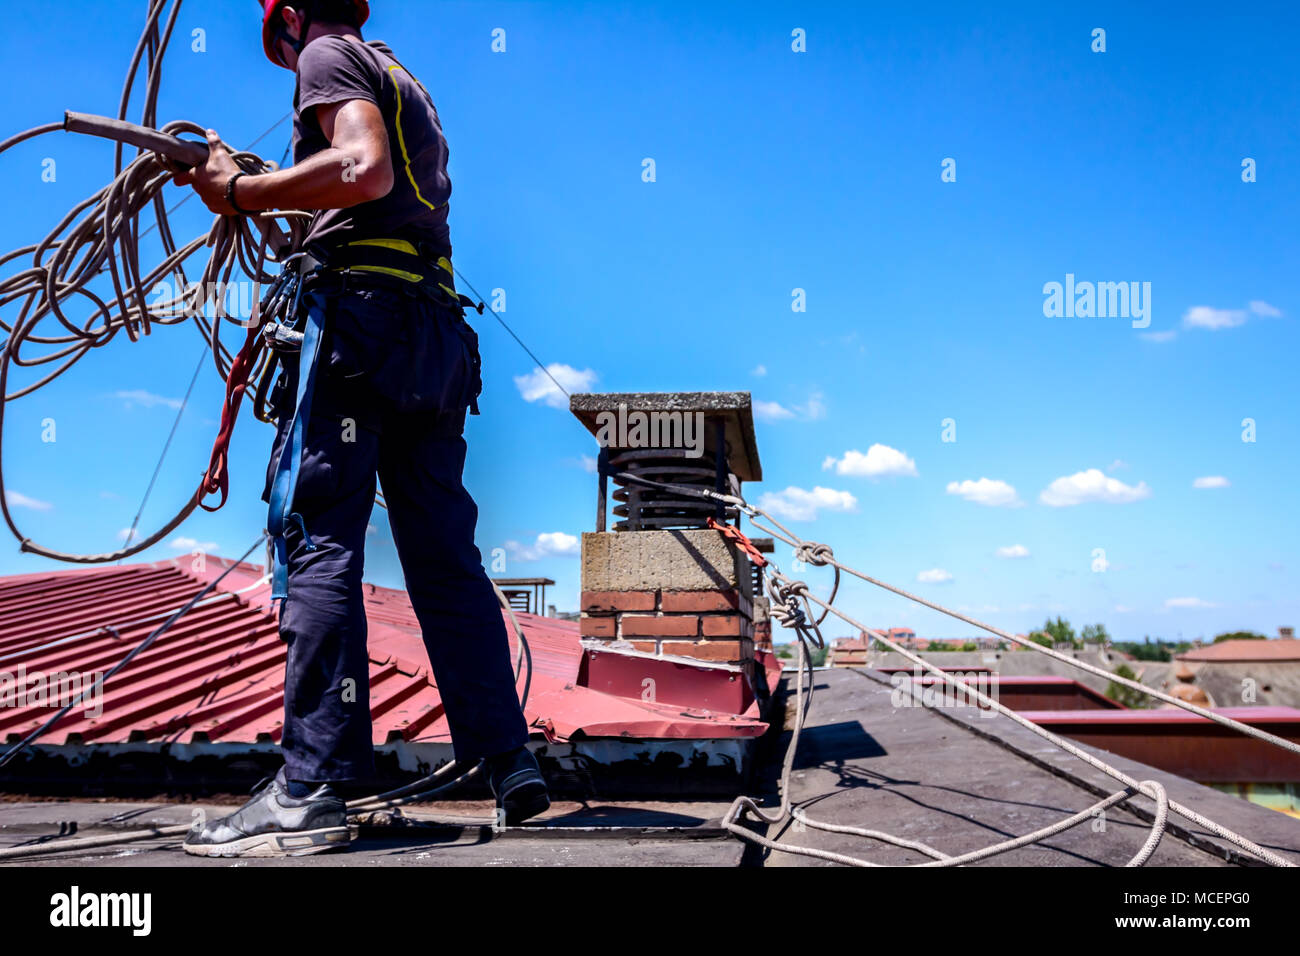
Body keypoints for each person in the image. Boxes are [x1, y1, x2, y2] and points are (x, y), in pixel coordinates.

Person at [176, 0, 547, 857]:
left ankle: (313, 785)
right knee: (445, 559)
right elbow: (360, 192)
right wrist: (265, 190)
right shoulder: (396, 72)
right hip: (431, 339)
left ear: (291, 19)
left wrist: (237, 191)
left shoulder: (328, 54)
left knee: (318, 540)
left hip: (363, 332)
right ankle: (506, 757)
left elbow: (363, 170)